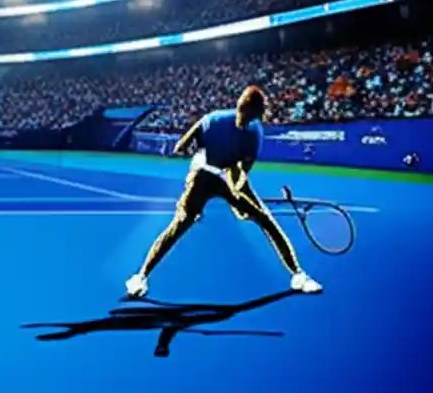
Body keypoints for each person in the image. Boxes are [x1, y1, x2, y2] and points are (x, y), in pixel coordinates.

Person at [125, 86, 322, 298]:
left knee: (266, 220)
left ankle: (298, 275)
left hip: (227, 175)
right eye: (245, 112)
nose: (245, 118)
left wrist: (241, 199)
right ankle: (140, 276)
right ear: (241, 107)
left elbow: (240, 173)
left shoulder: (252, 133)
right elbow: (194, 132)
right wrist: (186, 146)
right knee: (180, 224)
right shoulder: (219, 120)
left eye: (250, 115)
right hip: (202, 176)